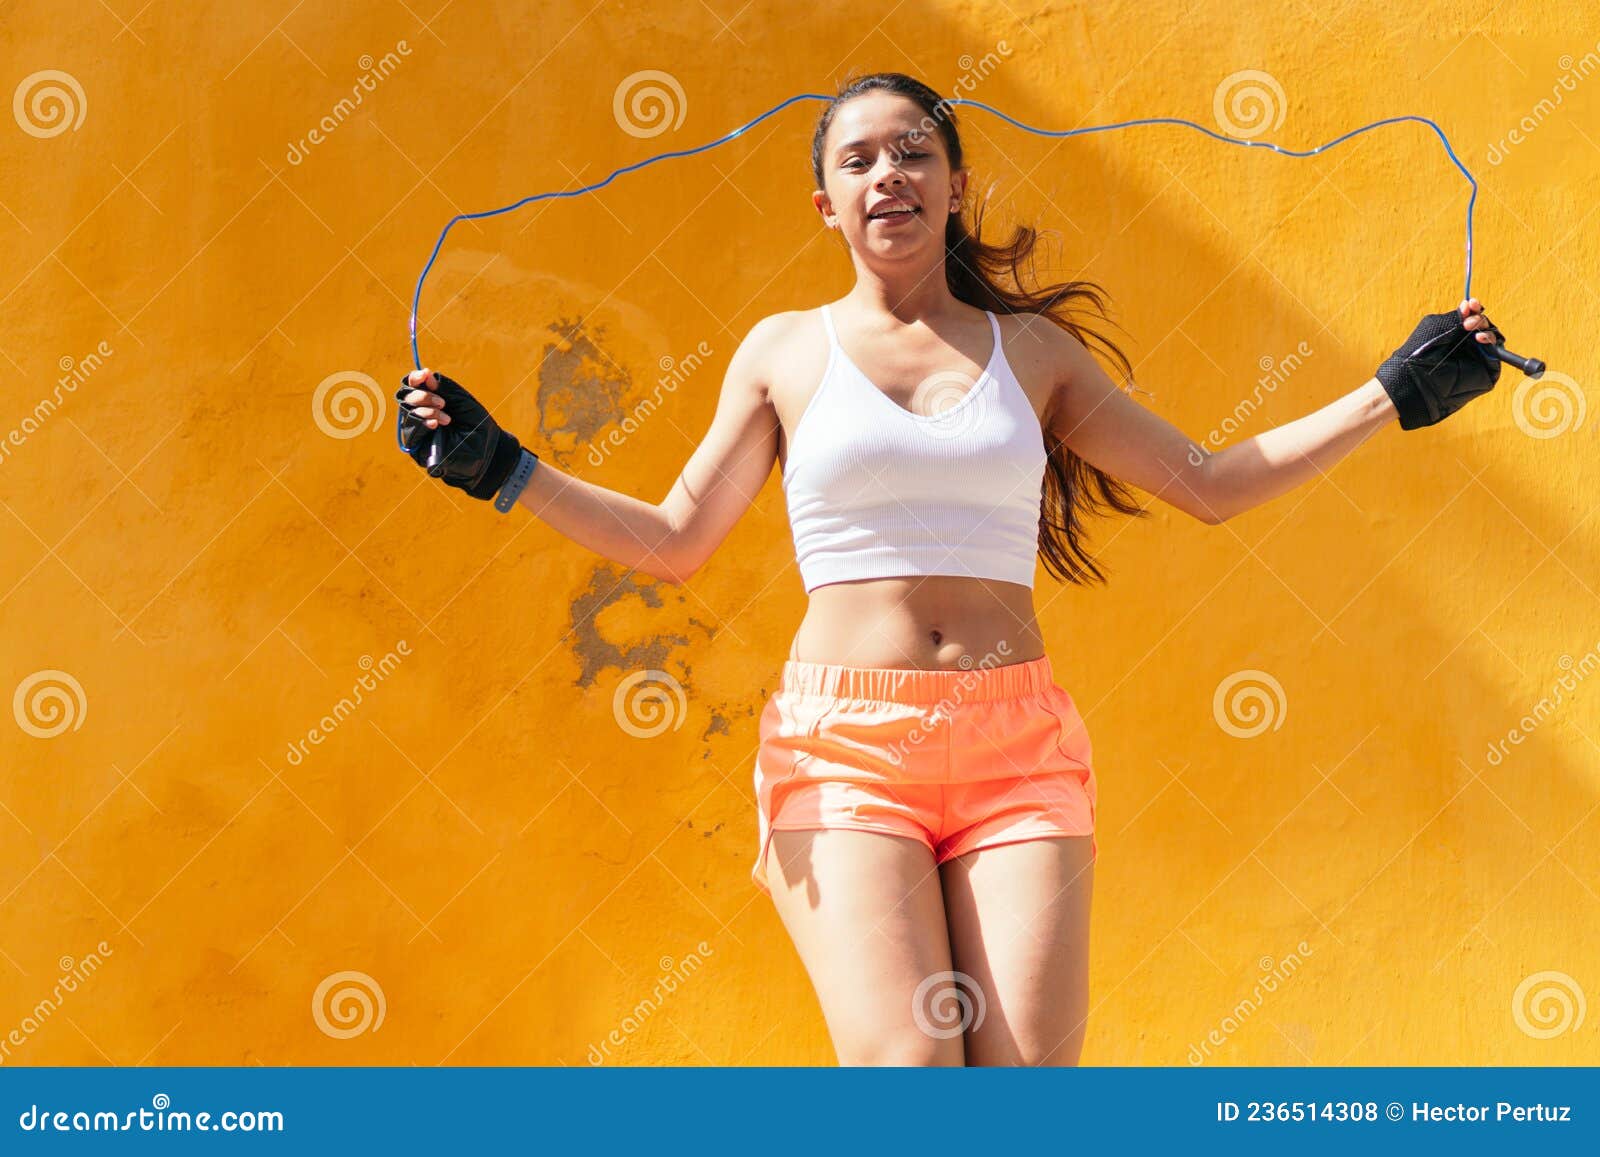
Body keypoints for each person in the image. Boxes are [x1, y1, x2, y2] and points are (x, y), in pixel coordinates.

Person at [393, 72, 1506, 1066]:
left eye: (914, 150)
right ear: (826, 204)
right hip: (843, 746)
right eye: (858, 159)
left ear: (957, 185)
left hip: (1015, 746)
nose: (890, 173)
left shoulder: (1032, 352)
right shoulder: (782, 350)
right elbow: (675, 541)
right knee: (913, 1074)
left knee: (1022, 1096)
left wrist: (1390, 393)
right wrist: (503, 467)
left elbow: (1207, 482)